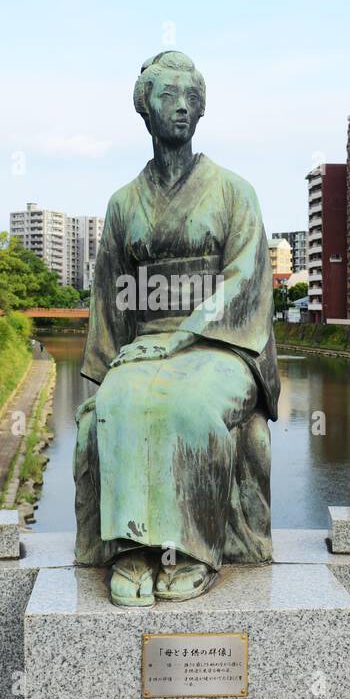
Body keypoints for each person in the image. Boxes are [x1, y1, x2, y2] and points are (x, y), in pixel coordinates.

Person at [72, 51, 279, 606]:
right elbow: (111, 293)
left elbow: (246, 280)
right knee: (119, 404)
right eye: (167, 95)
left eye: (191, 95)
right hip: (145, 347)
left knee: (187, 406)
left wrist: (184, 335)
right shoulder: (123, 204)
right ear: (145, 108)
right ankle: (133, 549)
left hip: (220, 345)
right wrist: (107, 371)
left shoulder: (235, 192)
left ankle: (194, 552)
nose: (181, 106)